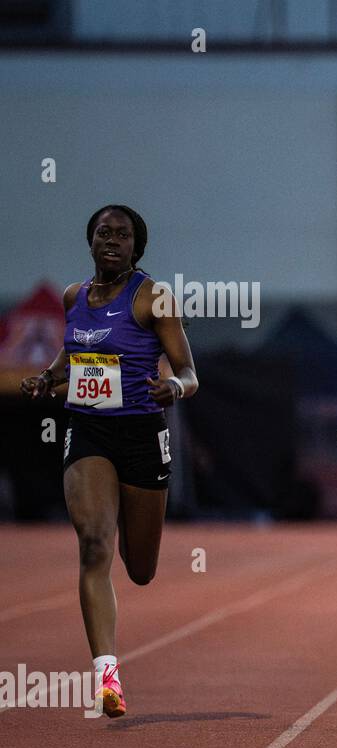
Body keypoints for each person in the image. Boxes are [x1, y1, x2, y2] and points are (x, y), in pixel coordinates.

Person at [19, 204, 198, 717]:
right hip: (89, 431)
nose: (111, 240)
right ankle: (107, 677)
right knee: (95, 543)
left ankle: (133, 536)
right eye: (103, 232)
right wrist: (48, 378)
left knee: (140, 569)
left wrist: (174, 387)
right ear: (91, 242)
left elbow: (190, 371)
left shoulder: (153, 298)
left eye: (122, 234)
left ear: (136, 248)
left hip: (143, 434)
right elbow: (72, 354)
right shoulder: (74, 297)